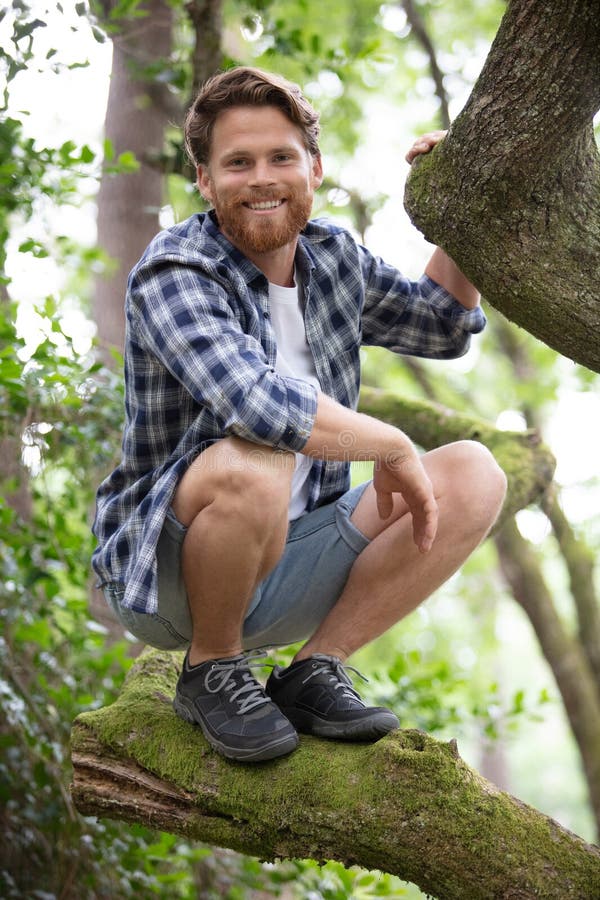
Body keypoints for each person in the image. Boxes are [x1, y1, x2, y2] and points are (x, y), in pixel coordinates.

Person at [92, 66, 507, 763]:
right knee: (258, 455)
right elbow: (255, 404)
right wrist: (390, 445)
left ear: (312, 166)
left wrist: (459, 203)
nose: (262, 177)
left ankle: (315, 670)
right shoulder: (177, 269)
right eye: (237, 162)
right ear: (204, 179)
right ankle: (211, 669)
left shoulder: (333, 257)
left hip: (287, 557)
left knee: (474, 472)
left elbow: (441, 324)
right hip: (164, 576)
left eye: (281, 157)